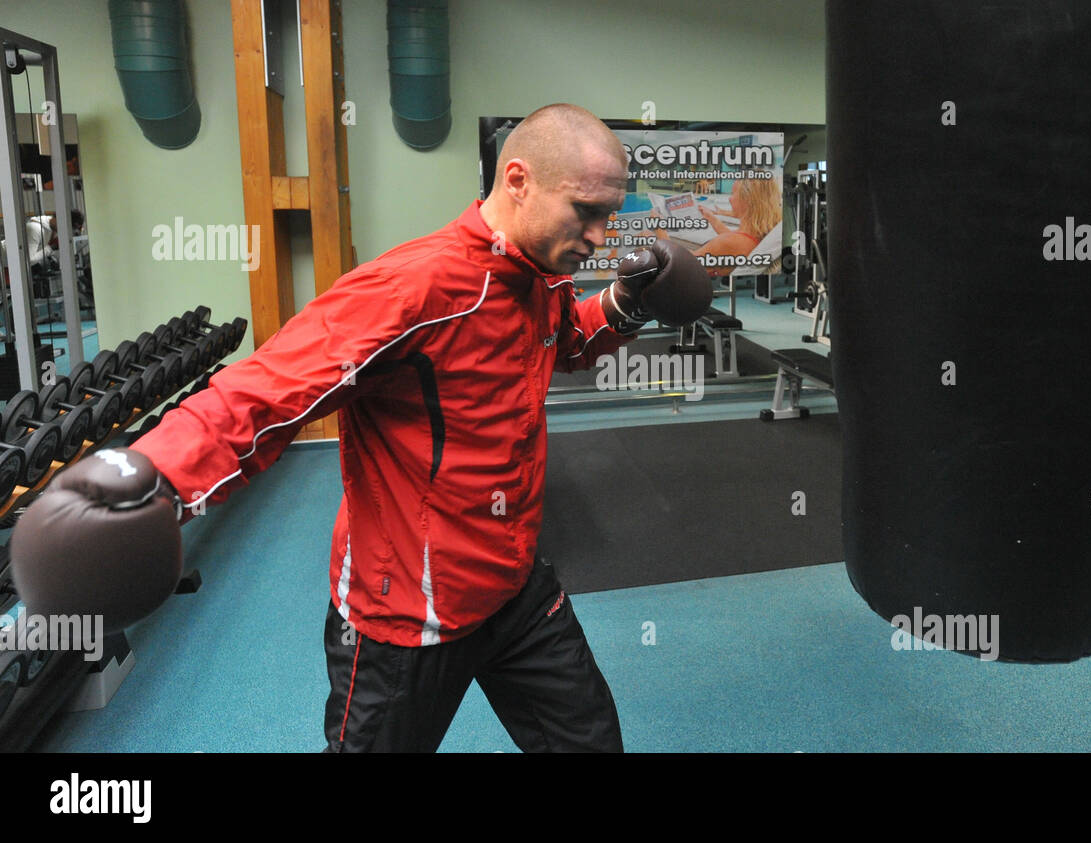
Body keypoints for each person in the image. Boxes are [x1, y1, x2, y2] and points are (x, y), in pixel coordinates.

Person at [11, 103, 712, 752]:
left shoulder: (541, 271)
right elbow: (270, 386)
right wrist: (153, 475)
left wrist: (621, 305)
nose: (598, 236)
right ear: (518, 180)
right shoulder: (419, 286)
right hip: (407, 615)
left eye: (609, 215)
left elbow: (560, 344)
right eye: (585, 212)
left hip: (514, 585)